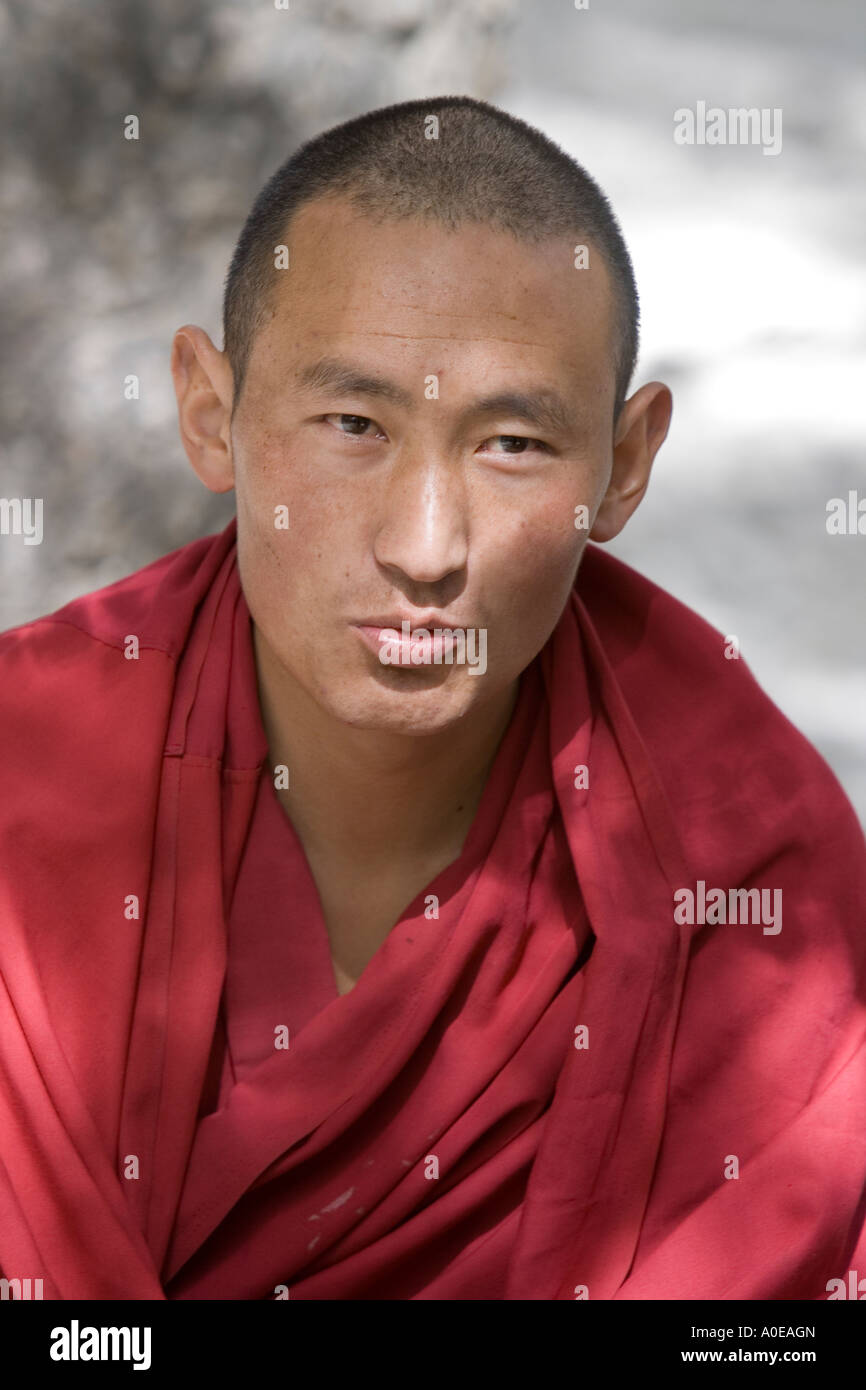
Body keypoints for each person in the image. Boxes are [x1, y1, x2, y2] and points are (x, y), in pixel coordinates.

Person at [1, 95, 864, 1302]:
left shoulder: (742, 845)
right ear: (210, 413)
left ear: (621, 470)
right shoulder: (25, 765)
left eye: (511, 445)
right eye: (352, 423)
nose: (424, 548)